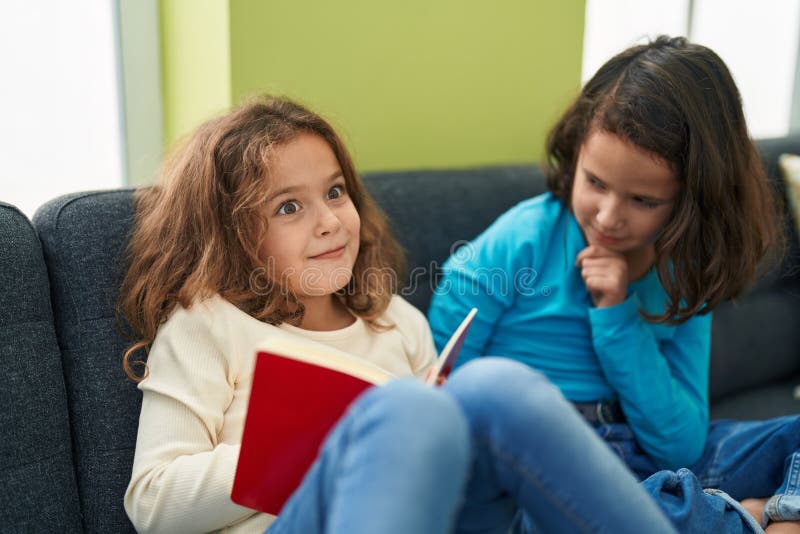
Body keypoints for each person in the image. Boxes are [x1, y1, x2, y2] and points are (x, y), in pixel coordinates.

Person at [119, 95, 679, 533]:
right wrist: (308, 439)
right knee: (406, 407)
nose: (330, 221)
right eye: (289, 206)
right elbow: (153, 501)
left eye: (335, 192)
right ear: (231, 235)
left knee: (494, 384)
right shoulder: (208, 326)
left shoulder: (393, 319)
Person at [427, 35, 799, 533]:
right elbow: (441, 376)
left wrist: (618, 316)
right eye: (595, 182)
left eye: (642, 200)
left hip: (644, 457)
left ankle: (757, 513)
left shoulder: (683, 274)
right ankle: (737, 517)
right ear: (576, 150)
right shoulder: (525, 238)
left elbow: (681, 444)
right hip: (545, 470)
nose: (606, 216)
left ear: (693, 198)